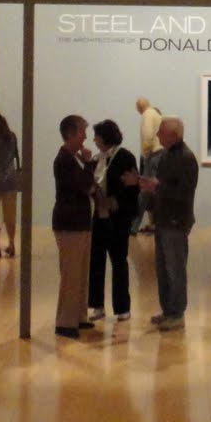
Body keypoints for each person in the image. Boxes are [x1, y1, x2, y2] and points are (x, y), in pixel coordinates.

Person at [136, 116, 199, 332]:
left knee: (175, 269)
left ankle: (177, 313)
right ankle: (168, 311)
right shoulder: (167, 155)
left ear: (174, 134)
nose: (157, 135)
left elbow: (184, 191)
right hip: (164, 219)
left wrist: (156, 187)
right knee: (162, 270)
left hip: (175, 220)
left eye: (161, 131)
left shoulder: (185, 158)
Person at [88, 119, 138, 322]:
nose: (94, 139)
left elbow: (133, 188)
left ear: (105, 137)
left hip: (118, 218)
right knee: (96, 261)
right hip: (99, 216)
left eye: (97, 136)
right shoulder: (96, 159)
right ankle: (97, 305)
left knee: (118, 261)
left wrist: (116, 201)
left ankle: (122, 307)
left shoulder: (125, 157)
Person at [51, 114, 96, 340]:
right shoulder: (65, 160)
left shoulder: (71, 158)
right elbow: (84, 186)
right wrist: (90, 164)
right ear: (71, 134)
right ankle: (65, 322)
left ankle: (79, 316)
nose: (86, 136)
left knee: (80, 272)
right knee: (71, 274)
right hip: (70, 223)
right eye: (82, 132)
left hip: (78, 222)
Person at [0, 110, 21, 258]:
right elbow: (13, 157)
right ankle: (12, 244)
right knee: (10, 216)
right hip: (10, 180)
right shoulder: (11, 135)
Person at [134, 97, 163, 234]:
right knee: (156, 190)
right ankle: (158, 224)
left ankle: (132, 226)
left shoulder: (147, 114)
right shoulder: (156, 114)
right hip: (159, 154)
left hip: (153, 154)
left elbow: (147, 135)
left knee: (144, 191)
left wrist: (145, 154)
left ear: (140, 106)